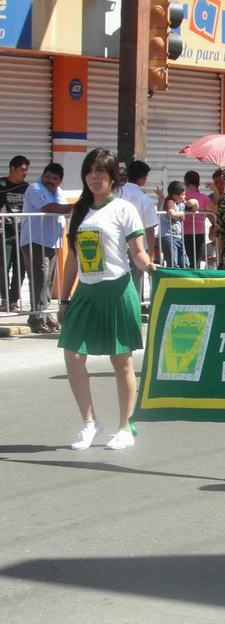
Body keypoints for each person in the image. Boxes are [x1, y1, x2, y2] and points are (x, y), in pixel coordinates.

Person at [57, 148, 157, 451]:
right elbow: (72, 259)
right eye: (89, 172)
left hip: (117, 291)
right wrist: (64, 299)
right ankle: (89, 423)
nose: (94, 178)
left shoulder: (125, 209)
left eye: (100, 172)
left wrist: (153, 268)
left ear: (113, 177)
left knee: (122, 363)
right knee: (73, 356)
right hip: (86, 294)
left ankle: (125, 427)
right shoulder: (79, 211)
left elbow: (138, 253)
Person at [19, 162, 72, 333]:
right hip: (35, 241)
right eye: (47, 176)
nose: (50, 180)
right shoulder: (35, 188)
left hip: (52, 242)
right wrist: (78, 207)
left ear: (59, 181)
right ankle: (36, 317)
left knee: (48, 281)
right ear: (43, 175)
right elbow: (51, 208)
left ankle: (44, 312)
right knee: (39, 279)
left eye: (54, 178)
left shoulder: (59, 193)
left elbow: (62, 209)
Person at [119, 160, 161, 303]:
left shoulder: (116, 193)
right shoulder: (144, 199)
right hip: (138, 246)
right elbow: (150, 229)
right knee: (136, 281)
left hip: (115, 244)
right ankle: (134, 310)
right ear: (143, 178)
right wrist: (150, 255)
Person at [0, 155, 30, 311]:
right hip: (5, 232)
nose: (25, 173)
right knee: (3, 267)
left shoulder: (27, 188)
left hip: (22, 233)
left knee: (20, 268)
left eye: (26, 170)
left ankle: (14, 300)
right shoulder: (2, 184)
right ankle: (4, 299)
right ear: (12, 169)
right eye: (22, 170)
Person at [182, 170, 213, 269]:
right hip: (199, 234)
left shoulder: (181, 197)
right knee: (196, 264)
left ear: (185, 182)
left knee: (183, 264)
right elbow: (213, 215)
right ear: (198, 183)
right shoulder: (204, 198)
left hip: (182, 233)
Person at [161, 180, 189, 268]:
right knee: (173, 264)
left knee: (184, 263)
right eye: (183, 194)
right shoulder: (170, 201)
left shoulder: (179, 204)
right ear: (175, 196)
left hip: (178, 237)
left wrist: (193, 202)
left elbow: (194, 205)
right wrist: (182, 214)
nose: (185, 197)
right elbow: (172, 213)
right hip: (169, 237)